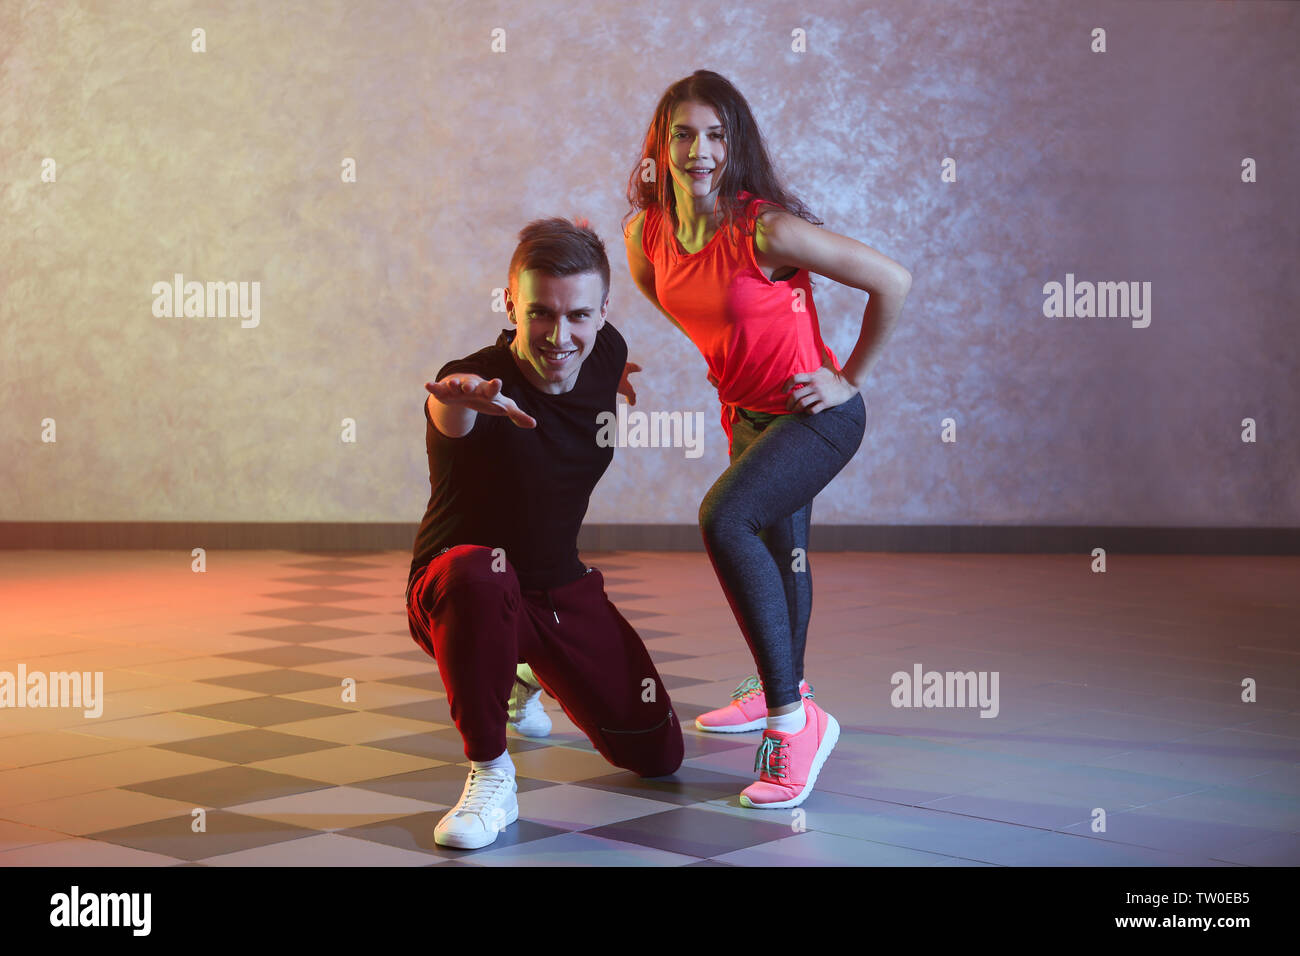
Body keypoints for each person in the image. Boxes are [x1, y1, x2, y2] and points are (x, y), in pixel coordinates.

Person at [623, 69, 912, 809]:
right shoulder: (646, 236)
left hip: (815, 419)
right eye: (683, 134)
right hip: (745, 415)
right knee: (785, 556)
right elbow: (683, 305)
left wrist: (845, 378)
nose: (699, 150)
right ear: (661, 143)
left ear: (735, 143)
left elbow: (892, 280)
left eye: (716, 134)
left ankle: (794, 721)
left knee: (726, 519)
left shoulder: (766, 229)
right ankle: (781, 683)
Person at [406, 217, 683, 849]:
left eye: (578, 316)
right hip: (458, 590)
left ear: (602, 311)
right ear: (510, 305)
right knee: (481, 570)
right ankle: (490, 773)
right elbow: (447, 407)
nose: (560, 336)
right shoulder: (475, 384)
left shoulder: (604, 346)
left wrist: (615, 376)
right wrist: (459, 398)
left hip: (558, 588)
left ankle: (522, 672)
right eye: (540, 315)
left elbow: (596, 354)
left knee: (658, 753)